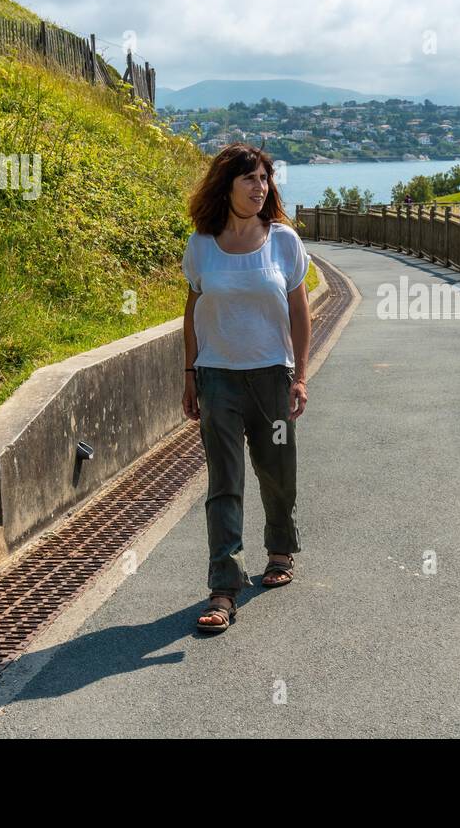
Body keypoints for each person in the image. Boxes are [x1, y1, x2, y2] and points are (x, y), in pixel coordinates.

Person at [181, 142, 311, 633]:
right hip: (218, 380)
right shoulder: (202, 246)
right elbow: (192, 313)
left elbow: (299, 312)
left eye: (265, 179)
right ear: (227, 186)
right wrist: (190, 373)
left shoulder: (283, 241)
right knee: (224, 483)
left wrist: (299, 375)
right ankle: (223, 587)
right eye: (250, 179)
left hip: (271, 378)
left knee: (277, 469)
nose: (261, 188)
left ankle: (280, 549)